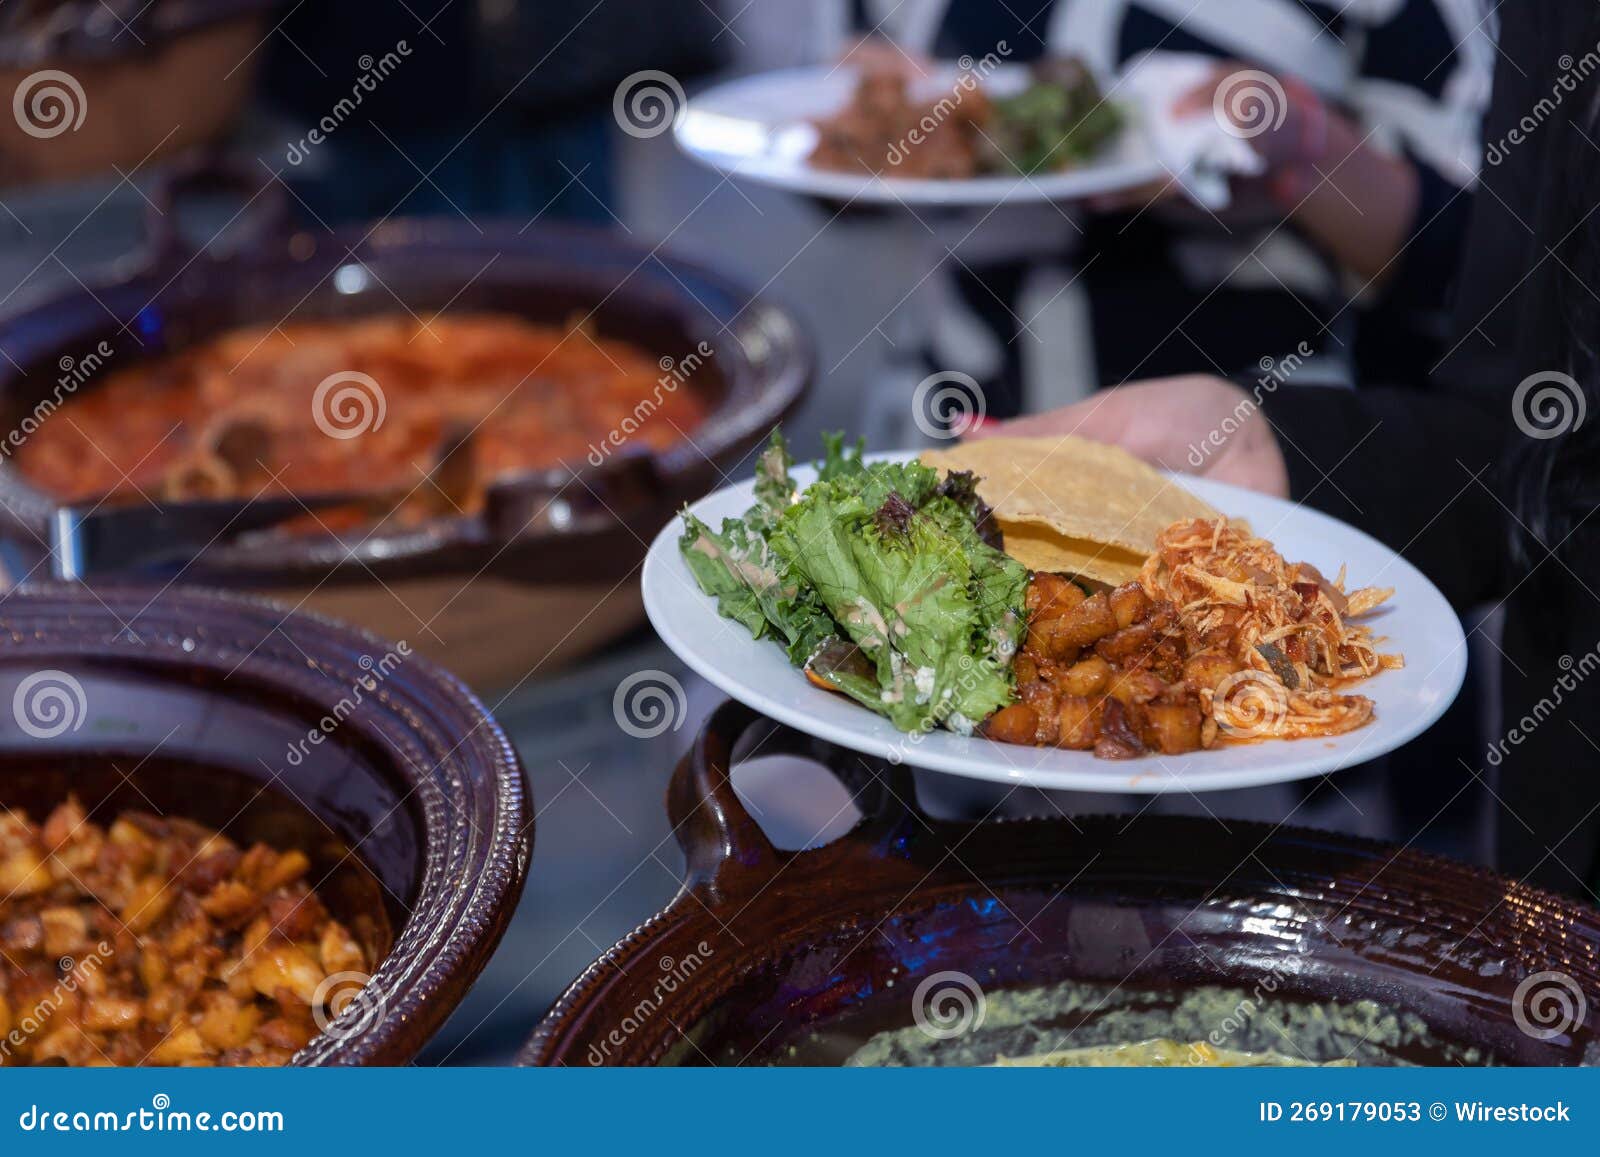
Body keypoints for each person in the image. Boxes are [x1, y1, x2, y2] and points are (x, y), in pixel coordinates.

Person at [977, 1, 1600, 900]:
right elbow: (1525, 426)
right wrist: (1281, 454)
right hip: (1026, 414)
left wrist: (1306, 153)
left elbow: (1448, 262)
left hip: (1297, 484)